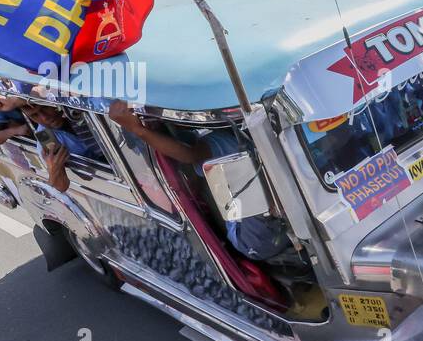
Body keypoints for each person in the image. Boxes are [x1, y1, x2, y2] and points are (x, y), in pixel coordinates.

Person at [106, 102, 295, 261]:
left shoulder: (223, 139)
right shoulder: (220, 141)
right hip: (257, 237)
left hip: (274, 222)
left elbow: (189, 157)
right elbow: (188, 156)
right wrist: (138, 130)